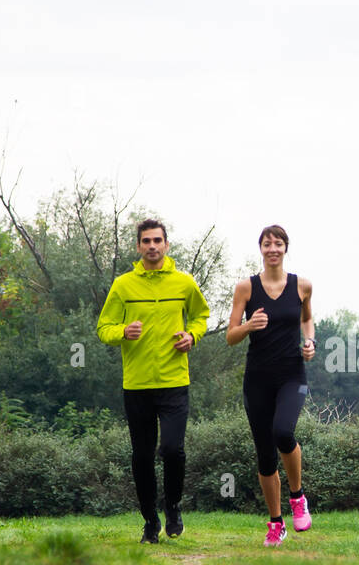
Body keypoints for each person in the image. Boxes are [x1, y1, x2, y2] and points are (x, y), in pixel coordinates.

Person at [97, 219, 210, 543]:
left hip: (174, 380)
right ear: (138, 246)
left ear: (167, 245)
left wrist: (193, 335)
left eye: (157, 240)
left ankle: (173, 507)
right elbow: (104, 327)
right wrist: (122, 332)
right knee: (142, 456)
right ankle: (150, 521)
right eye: (146, 241)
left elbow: (202, 315)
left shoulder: (184, 283)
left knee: (173, 450)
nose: (152, 246)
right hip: (137, 384)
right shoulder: (123, 285)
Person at [227, 224, 315, 546]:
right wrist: (249, 325)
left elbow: (307, 318)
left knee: (283, 433)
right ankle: (276, 523)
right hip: (258, 379)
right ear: (261, 249)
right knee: (265, 456)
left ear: (285, 248)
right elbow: (230, 336)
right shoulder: (246, 288)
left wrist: (310, 342)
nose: (273, 249)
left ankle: (298, 498)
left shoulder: (302, 285)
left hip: (291, 375)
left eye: (278, 243)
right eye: (267, 244)